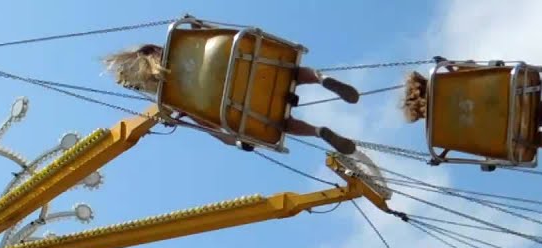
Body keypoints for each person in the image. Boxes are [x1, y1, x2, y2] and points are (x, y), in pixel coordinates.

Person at [101, 43, 362, 155]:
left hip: (243, 107)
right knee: (289, 73)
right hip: (252, 68)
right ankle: (321, 79)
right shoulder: (183, 45)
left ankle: (318, 132)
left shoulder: (174, 100)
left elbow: (212, 129)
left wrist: (237, 143)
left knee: (281, 124)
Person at [400, 70, 542, 161]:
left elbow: (463, 147)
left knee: (535, 141)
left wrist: (439, 159)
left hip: (511, 136)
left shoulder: (439, 134)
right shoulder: (445, 79)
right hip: (516, 98)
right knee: (539, 106)